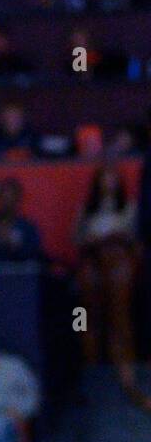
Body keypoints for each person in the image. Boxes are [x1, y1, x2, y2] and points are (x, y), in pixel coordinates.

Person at [75, 165, 147, 407]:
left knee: (120, 319)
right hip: (91, 276)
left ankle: (127, 375)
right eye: (104, 178)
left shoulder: (129, 209)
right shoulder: (86, 211)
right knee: (82, 319)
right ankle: (90, 369)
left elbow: (136, 243)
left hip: (120, 272)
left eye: (113, 177)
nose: (109, 183)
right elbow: (77, 241)